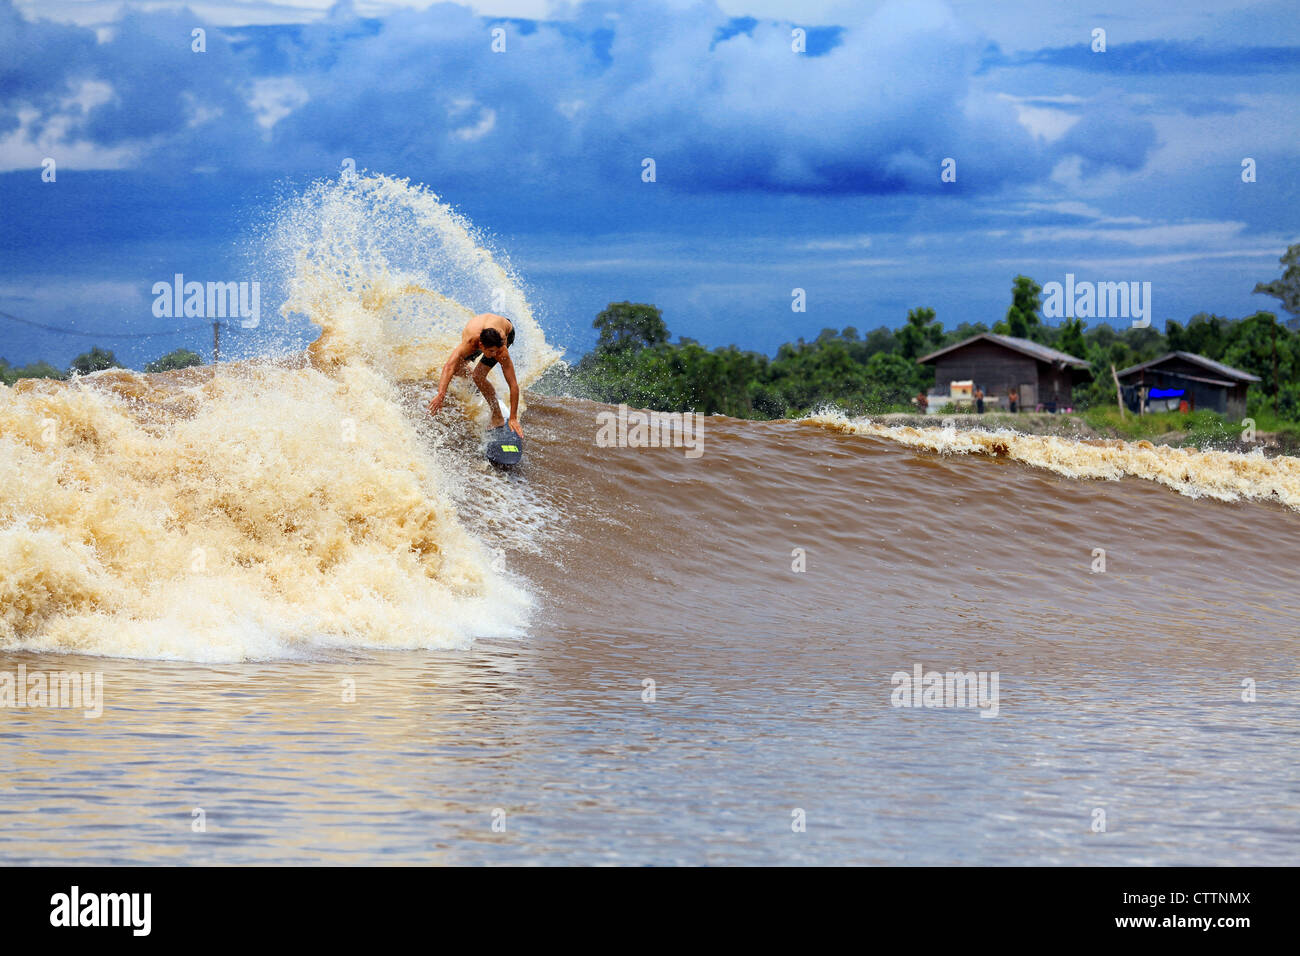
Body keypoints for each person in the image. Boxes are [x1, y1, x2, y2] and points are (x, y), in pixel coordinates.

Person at [426, 313, 522, 437]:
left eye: (496, 351)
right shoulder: (470, 343)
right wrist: (441, 394)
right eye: (492, 351)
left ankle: (497, 417)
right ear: (481, 346)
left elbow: (513, 385)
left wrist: (513, 417)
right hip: (481, 334)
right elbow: (449, 367)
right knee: (457, 370)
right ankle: (478, 384)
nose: (495, 355)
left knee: (478, 376)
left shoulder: (500, 349)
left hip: (504, 330)